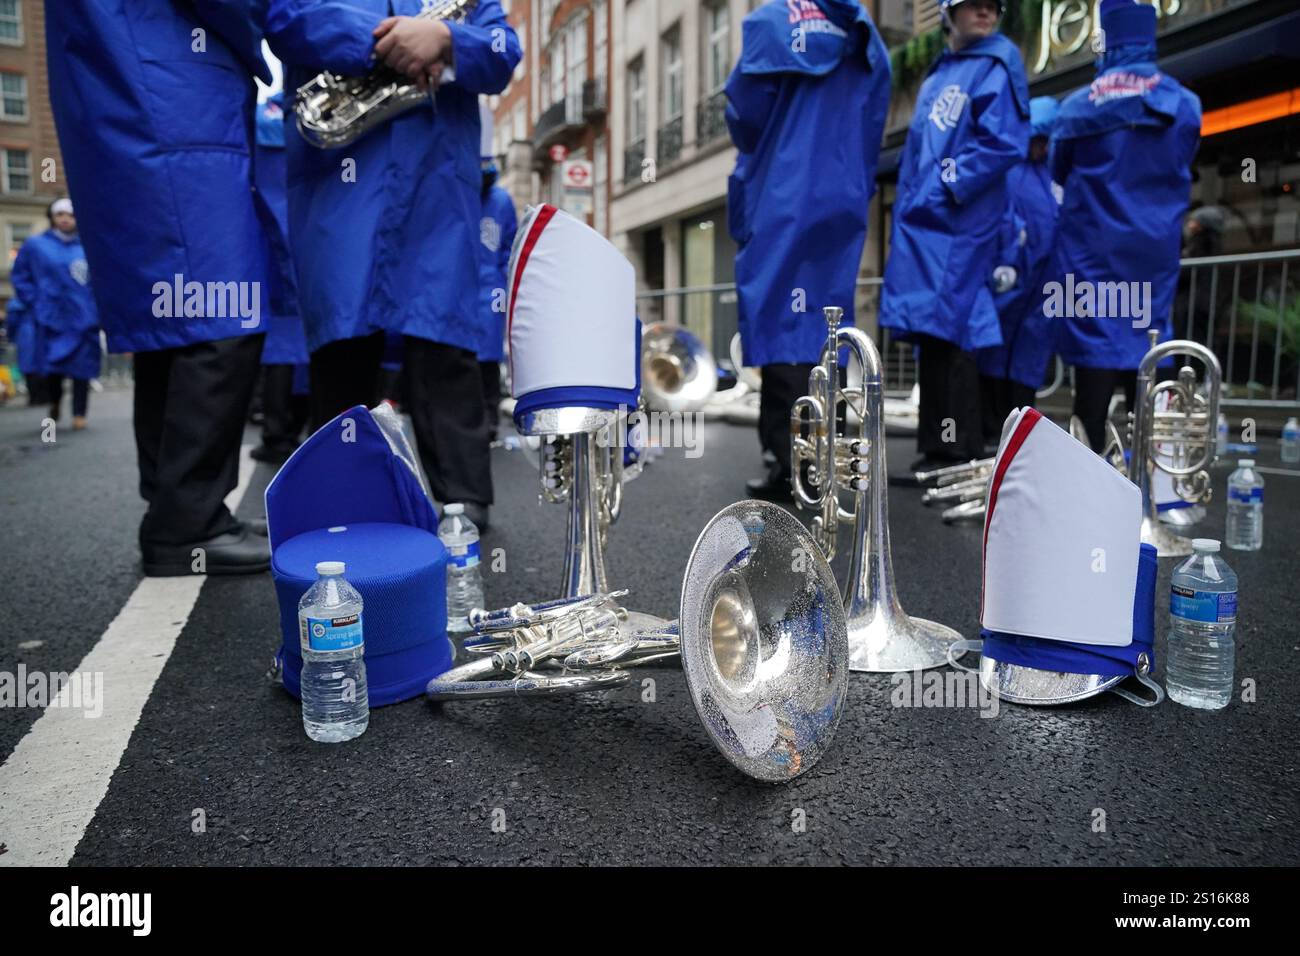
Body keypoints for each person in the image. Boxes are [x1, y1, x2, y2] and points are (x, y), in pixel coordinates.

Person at [267, 1, 521, 532]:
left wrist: (446, 39)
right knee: (342, 344)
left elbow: (503, 51)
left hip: (435, 183)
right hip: (341, 179)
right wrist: (391, 40)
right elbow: (284, 17)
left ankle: (463, 501)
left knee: (443, 341)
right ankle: (343, 502)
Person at [47, 0, 273, 575]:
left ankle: (182, 512)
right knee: (221, 315)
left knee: (172, 326)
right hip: (168, 100)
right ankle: (185, 527)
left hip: (140, 88)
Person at [726, 0, 891, 502]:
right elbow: (873, 117)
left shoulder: (772, 19)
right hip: (839, 190)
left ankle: (789, 465)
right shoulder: (861, 27)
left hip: (783, 187)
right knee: (827, 325)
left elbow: (745, 114)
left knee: (778, 323)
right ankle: (826, 460)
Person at [878, 0, 1030, 472]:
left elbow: (1003, 143)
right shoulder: (942, 72)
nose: (984, 12)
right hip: (927, 222)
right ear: (949, 14)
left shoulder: (996, 65)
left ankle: (954, 451)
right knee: (936, 334)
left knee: (953, 330)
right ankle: (938, 449)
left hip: (957, 222)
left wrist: (946, 185)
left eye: (992, 6)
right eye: (972, 5)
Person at [1051, 0, 1201, 453]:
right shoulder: (1183, 104)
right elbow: (1185, 157)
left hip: (1090, 258)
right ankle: (1146, 480)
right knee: (1147, 359)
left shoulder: (1076, 109)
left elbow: (1059, 172)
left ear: (1104, 38)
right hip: (1150, 260)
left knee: (1091, 376)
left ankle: (1088, 480)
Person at [977, 96, 1062, 440]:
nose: (1039, 148)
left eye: (1044, 142)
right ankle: (992, 433)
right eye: (1035, 141)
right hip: (1013, 282)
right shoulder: (1012, 171)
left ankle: (1017, 437)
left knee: (1025, 360)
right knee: (996, 355)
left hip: (1040, 287)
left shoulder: (1050, 176)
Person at [251, 93, 311, 466]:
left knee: (279, 357)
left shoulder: (262, 116)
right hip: (311, 255)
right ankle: (308, 436)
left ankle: (278, 437)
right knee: (308, 354)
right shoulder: (315, 110)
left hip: (270, 262)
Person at [10, 199, 102, 431]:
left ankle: (80, 412)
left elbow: (99, 281)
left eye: (70, 215)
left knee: (82, 366)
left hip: (82, 317)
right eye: (60, 213)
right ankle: (55, 401)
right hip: (50, 317)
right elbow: (21, 277)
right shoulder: (35, 245)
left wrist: (96, 309)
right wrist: (35, 302)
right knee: (54, 366)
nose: (65, 219)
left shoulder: (88, 246)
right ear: (51, 216)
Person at [477, 158, 517, 442]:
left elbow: (509, 247)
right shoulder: (458, 191)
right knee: (462, 357)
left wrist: (502, 282)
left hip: (490, 289)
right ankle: (471, 420)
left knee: (487, 360)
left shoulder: (501, 200)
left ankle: (488, 421)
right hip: (461, 288)